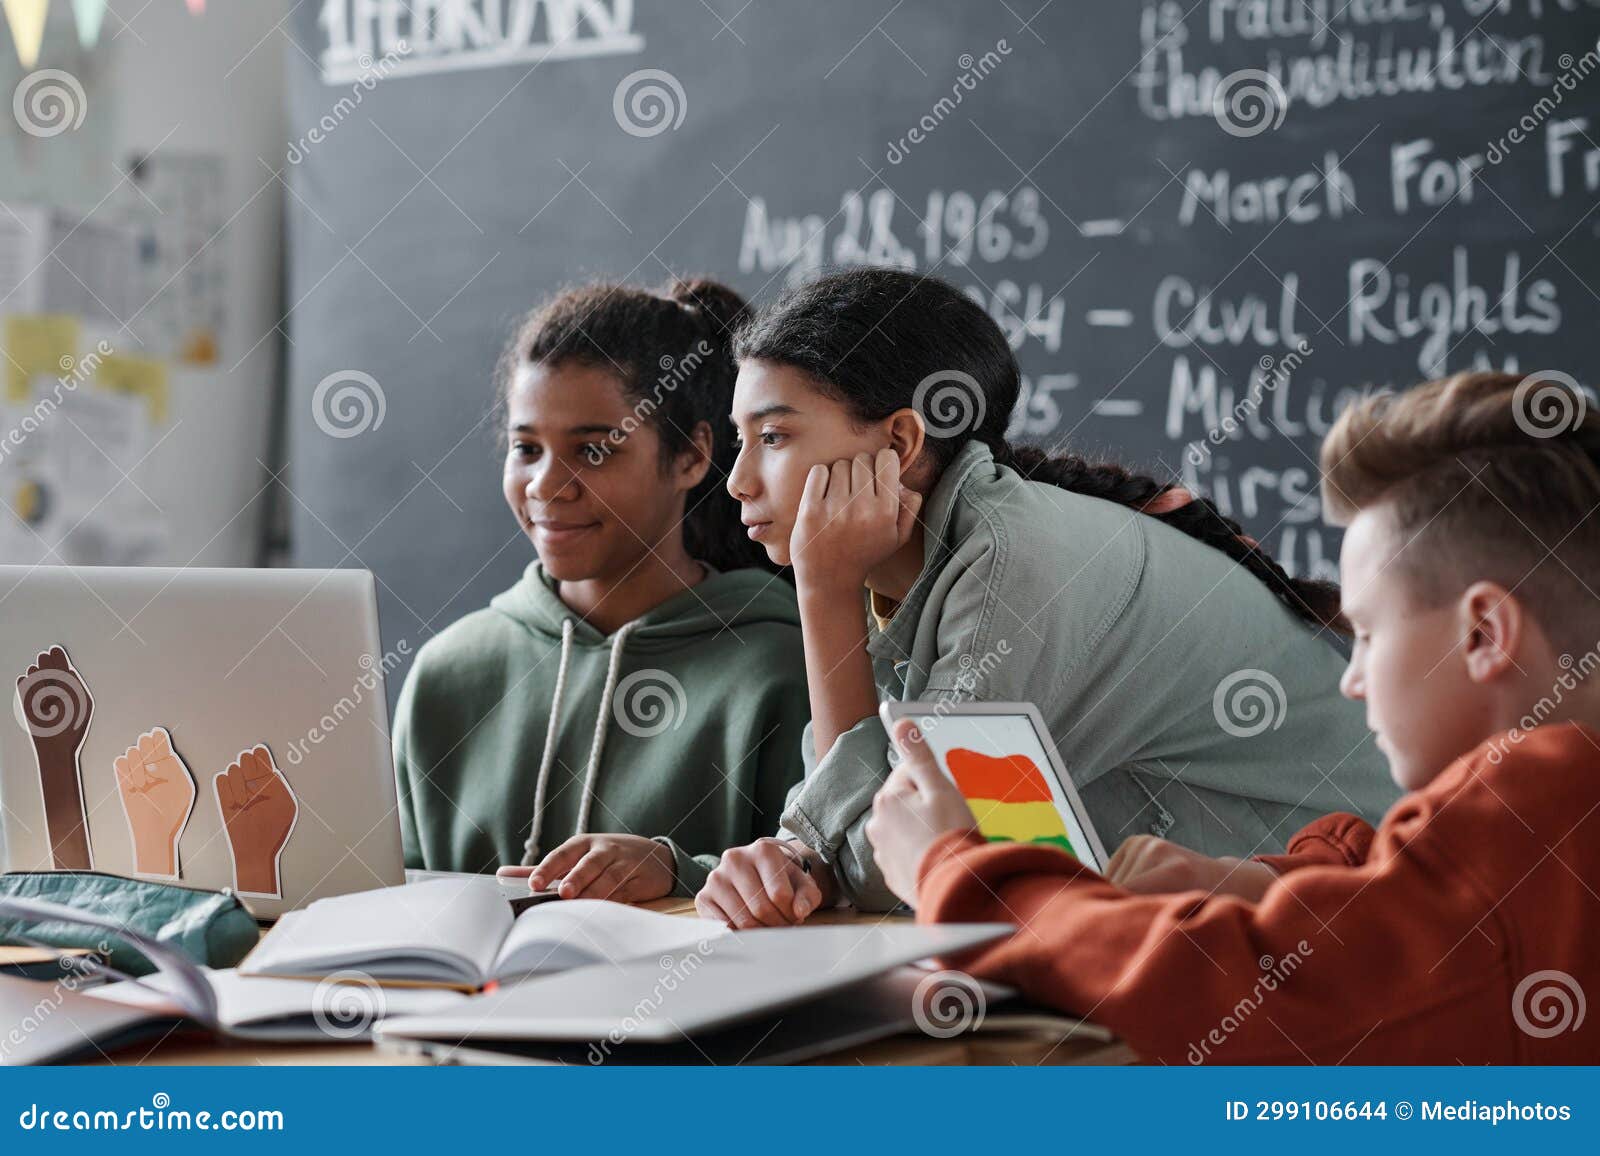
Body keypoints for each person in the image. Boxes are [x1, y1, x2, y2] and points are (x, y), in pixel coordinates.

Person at [869, 371, 1600, 1063]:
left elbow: (1214, 992)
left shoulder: (1544, 797)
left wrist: (957, 871)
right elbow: (1405, 905)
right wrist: (1259, 884)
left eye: (1370, 635)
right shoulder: (1546, 824)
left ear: (1484, 636)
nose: (1351, 679)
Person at [696, 267, 1394, 926]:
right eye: (740, 440)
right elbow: (876, 841)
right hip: (1189, 943)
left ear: (902, 441)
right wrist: (773, 862)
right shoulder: (934, 566)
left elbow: (895, 871)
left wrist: (824, 592)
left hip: (1340, 940)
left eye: (774, 436)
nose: (738, 481)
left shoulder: (1016, 561)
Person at [393, 279, 808, 902]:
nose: (545, 485)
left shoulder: (783, 667)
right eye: (526, 448)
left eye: (592, 450)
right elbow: (389, 902)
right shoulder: (446, 674)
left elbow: (836, 892)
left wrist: (679, 873)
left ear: (692, 458)